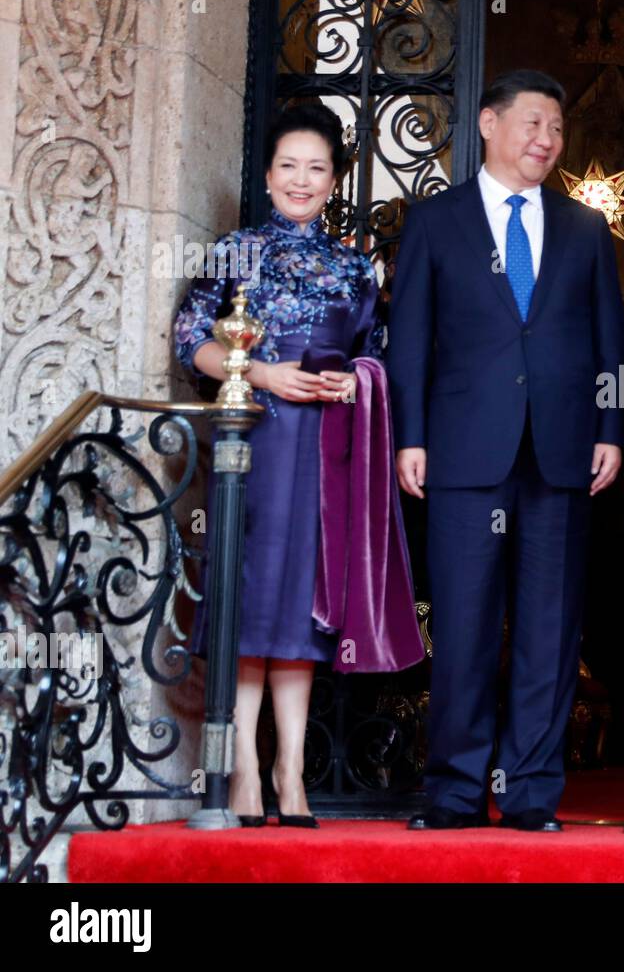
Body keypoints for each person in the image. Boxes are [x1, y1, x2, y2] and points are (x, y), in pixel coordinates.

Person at [387, 69, 624, 833]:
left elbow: (610, 343)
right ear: (489, 124)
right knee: (461, 626)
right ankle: (454, 792)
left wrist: (612, 430)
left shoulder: (586, 228)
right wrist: (411, 437)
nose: (546, 140)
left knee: (550, 631)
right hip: (462, 452)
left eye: (555, 128)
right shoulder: (436, 222)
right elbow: (412, 342)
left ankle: (531, 794)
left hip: (562, 453)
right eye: (532, 123)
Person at [174, 103, 424, 828]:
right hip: (252, 447)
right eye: (289, 166)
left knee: (304, 609)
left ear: (335, 180)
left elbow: (379, 350)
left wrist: (357, 380)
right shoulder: (237, 250)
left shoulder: (354, 265)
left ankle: (290, 769)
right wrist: (260, 374)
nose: (301, 179)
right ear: (268, 173)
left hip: (327, 454)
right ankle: (246, 768)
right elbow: (192, 338)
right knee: (253, 594)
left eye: (317, 168)